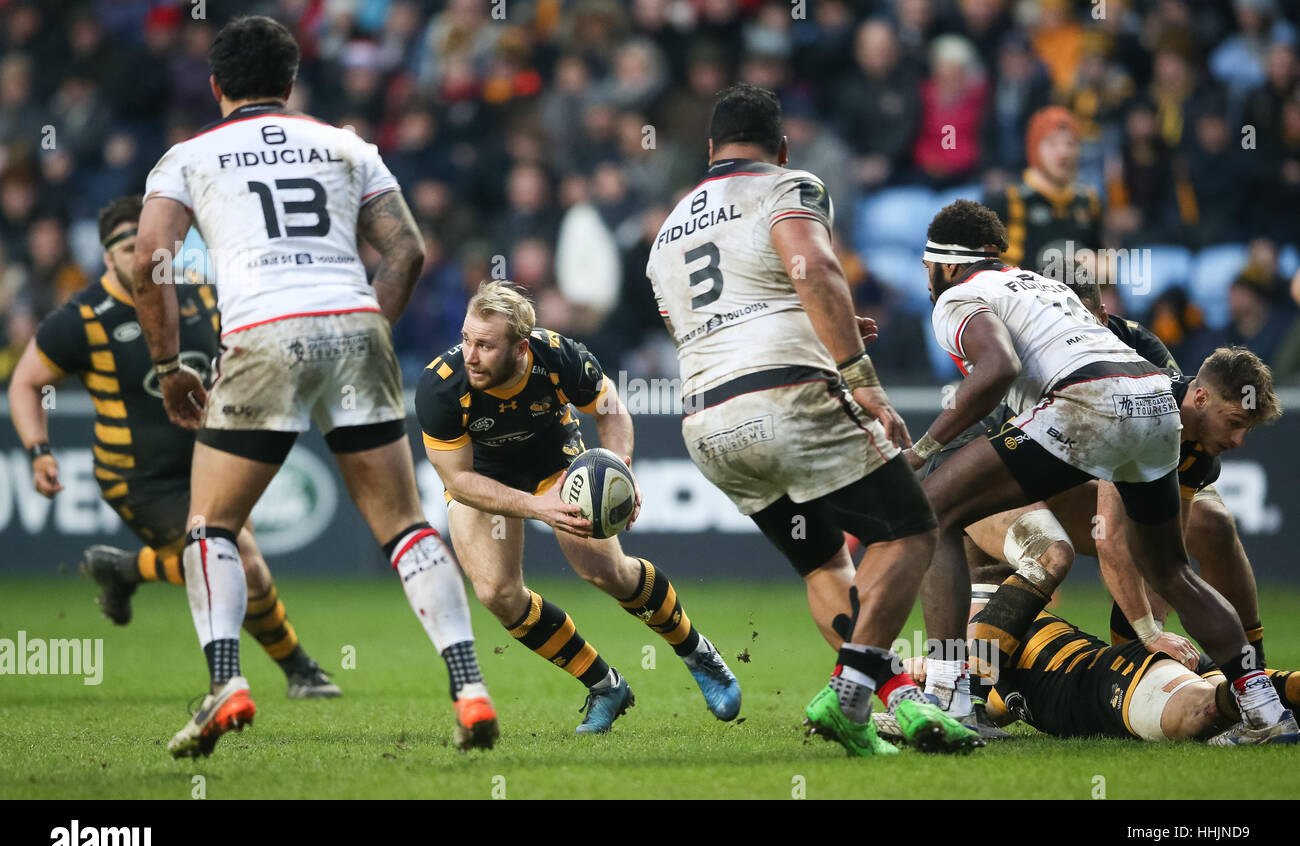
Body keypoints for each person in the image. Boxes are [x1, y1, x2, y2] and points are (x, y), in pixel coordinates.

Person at [131, 16, 495, 757]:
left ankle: (226, 682)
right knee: (402, 523)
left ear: (215, 86)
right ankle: (470, 688)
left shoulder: (189, 155)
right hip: (353, 323)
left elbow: (148, 264)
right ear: (291, 83)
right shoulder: (346, 144)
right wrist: (368, 327)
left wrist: (170, 369)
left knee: (211, 526)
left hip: (264, 331)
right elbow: (407, 248)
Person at [645, 83, 980, 757]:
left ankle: (886, 706)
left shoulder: (665, 233)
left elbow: (715, 320)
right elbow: (818, 272)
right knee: (912, 529)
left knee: (826, 563)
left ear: (710, 150)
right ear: (784, 145)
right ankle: (848, 691)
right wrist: (863, 382)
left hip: (709, 424)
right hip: (789, 400)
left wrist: (800, 320)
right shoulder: (786, 184)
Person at [907, 198, 1295, 745]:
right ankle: (1264, 708)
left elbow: (998, 368)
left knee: (931, 514)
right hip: (1156, 398)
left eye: (928, 270)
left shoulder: (958, 297)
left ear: (946, 263)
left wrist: (923, 447)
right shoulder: (1043, 285)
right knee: (1172, 571)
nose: (929, 281)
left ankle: (949, 696)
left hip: (1085, 401)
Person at [7, 195, 338, 699]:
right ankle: (296, 669)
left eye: (147, 243)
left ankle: (126, 570)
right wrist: (38, 450)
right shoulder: (82, 318)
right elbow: (26, 382)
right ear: (106, 257)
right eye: (125, 247)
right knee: (237, 558)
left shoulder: (199, 295)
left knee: (245, 568)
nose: (140, 254)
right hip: (139, 478)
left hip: (212, 459)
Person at [418, 280, 740, 734]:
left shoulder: (559, 356)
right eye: (467, 339)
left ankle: (697, 652)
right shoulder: (442, 388)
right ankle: (605, 684)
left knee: (608, 573)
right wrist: (535, 506)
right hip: (483, 476)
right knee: (496, 593)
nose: (470, 355)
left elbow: (610, 410)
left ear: (520, 347)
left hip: (556, 461)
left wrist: (620, 471)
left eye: (485, 346)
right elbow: (458, 480)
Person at [886, 566, 1300, 744]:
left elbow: (959, 666)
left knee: (1202, 715)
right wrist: (910, 717)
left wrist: (909, 671)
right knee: (1251, 691)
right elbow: (983, 711)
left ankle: (1261, 711)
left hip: (1108, 679)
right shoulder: (996, 683)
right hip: (1120, 675)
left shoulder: (984, 618)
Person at [983, 106, 1102, 273]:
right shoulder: (1006, 199)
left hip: (1072, 297)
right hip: (1018, 295)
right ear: (1035, 149)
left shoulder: (1089, 200)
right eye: (1052, 143)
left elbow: (1100, 257)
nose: (1063, 152)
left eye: (1070, 143)